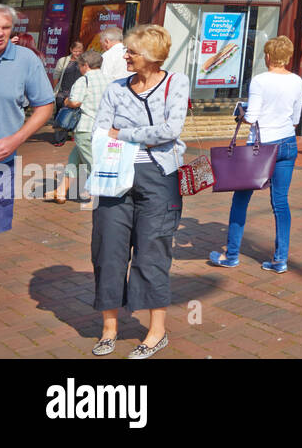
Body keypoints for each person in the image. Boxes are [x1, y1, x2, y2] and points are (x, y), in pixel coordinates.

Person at [90, 23, 189, 359]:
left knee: (152, 252)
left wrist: (124, 131)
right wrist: (123, 133)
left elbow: (171, 129)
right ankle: (109, 329)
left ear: (150, 56)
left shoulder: (176, 82)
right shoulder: (116, 87)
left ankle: (156, 331)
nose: (125, 55)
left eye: (131, 51)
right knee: (108, 250)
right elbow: (102, 128)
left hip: (159, 175)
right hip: (115, 174)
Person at [209, 36, 302, 272]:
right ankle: (280, 259)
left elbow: (251, 118)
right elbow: (296, 119)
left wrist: (241, 113)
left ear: (268, 56)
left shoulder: (260, 81)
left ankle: (231, 255)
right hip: (287, 143)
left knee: (241, 200)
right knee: (280, 202)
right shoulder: (297, 81)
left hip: (260, 148)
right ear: (288, 57)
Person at [0, 3, 56, 234]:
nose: (0, 33)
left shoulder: (26, 60)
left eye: (5, 27)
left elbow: (44, 106)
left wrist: (16, 139)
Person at [49, 49, 108, 204]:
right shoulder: (108, 80)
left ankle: (97, 193)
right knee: (74, 160)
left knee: (91, 162)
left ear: (85, 65)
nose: (79, 69)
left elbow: (75, 102)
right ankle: (61, 191)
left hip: (86, 127)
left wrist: (67, 101)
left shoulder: (84, 80)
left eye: (80, 65)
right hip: (102, 127)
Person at [54, 40, 85, 106]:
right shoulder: (63, 61)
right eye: (75, 51)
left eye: (80, 51)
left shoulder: (85, 62)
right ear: (71, 50)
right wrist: (55, 91)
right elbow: (56, 76)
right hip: (62, 94)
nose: (77, 53)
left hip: (78, 93)